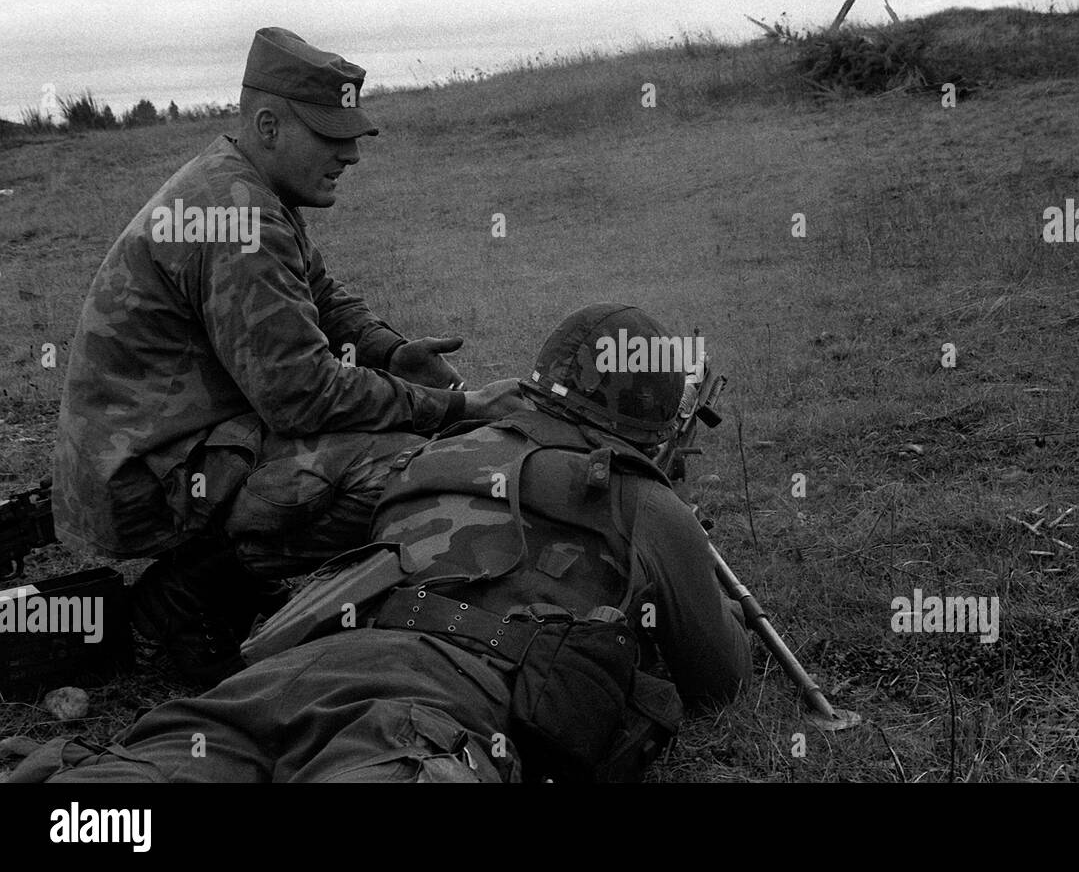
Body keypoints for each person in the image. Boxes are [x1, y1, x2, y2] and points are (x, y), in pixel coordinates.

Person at [3, 304, 751, 783]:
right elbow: (718, 678)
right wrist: (713, 599)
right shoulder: (643, 500)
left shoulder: (435, 453)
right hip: (424, 708)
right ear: (654, 423)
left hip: (285, 674)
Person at [51, 26, 524, 683]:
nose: (351, 154)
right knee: (402, 469)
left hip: (157, 451)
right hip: (144, 482)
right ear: (269, 124)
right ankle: (178, 600)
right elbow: (302, 394)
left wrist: (389, 350)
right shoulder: (240, 212)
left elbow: (320, 295)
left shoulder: (246, 185)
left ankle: (228, 580)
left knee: (377, 437)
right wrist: (450, 408)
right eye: (332, 136)